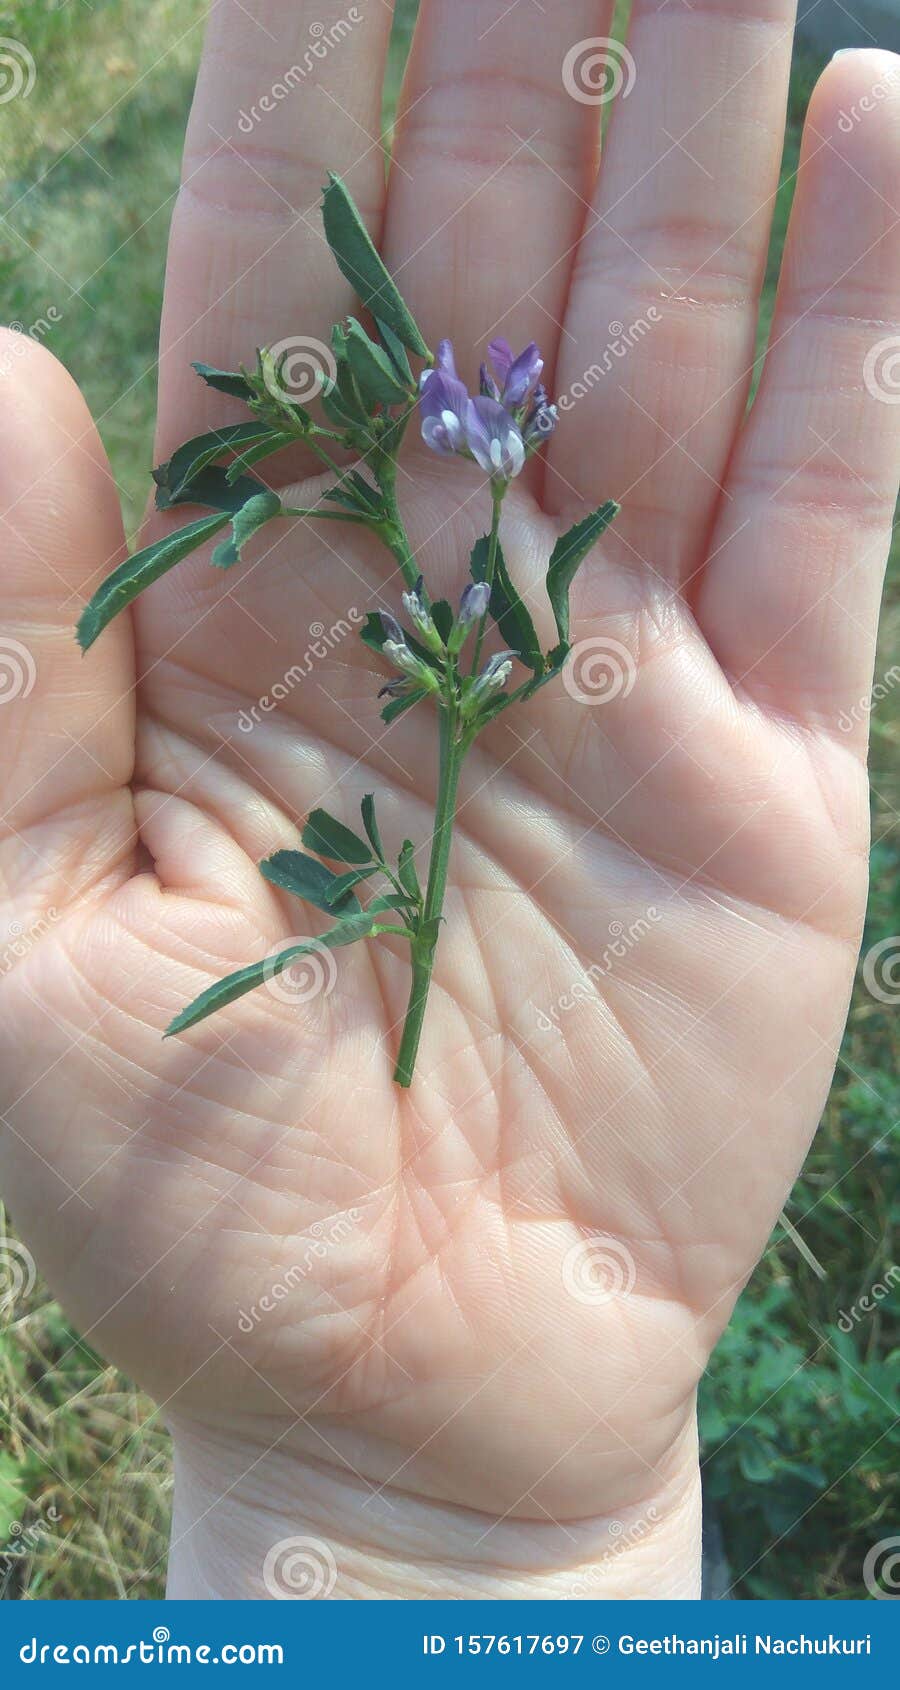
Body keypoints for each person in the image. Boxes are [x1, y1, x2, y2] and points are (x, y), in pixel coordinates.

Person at [0, 2, 897, 1601]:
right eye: (478, 421)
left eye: (486, 423)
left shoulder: (482, 528)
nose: (481, 437)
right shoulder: (454, 503)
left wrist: (450, 1528)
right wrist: (443, 1529)